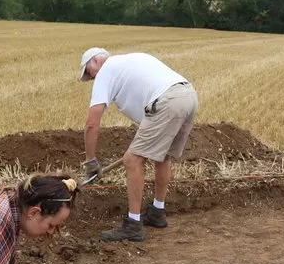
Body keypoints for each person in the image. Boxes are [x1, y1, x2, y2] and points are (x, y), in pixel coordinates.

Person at [79, 47, 198, 242]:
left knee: (132, 160)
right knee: (163, 157)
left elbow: (92, 124)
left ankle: (133, 225)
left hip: (168, 102)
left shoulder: (106, 71)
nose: (91, 79)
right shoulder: (133, 60)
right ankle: (157, 212)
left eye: (89, 74)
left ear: (97, 62)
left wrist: (91, 161)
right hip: (188, 95)